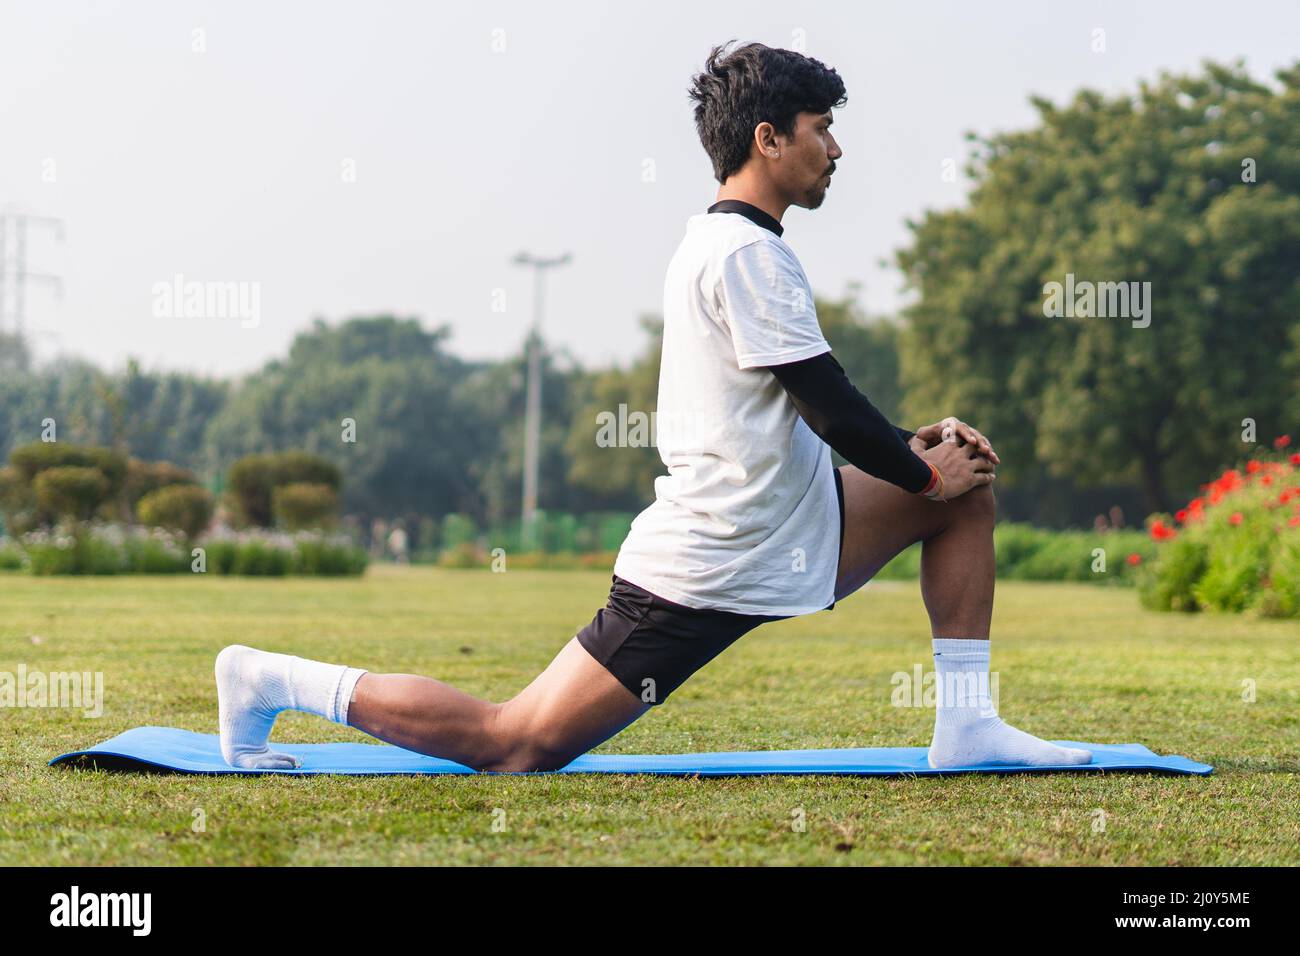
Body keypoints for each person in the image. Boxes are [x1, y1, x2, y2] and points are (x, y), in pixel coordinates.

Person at [215, 41, 1090, 772]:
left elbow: (816, 405)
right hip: (711, 560)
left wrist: (927, 456)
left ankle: (967, 728)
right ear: (768, 138)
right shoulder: (744, 252)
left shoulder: (735, 244)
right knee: (517, 743)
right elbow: (828, 406)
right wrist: (913, 469)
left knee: (967, 489)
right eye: (823, 129)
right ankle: (269, 680)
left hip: (791, 525)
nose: (836, 148)